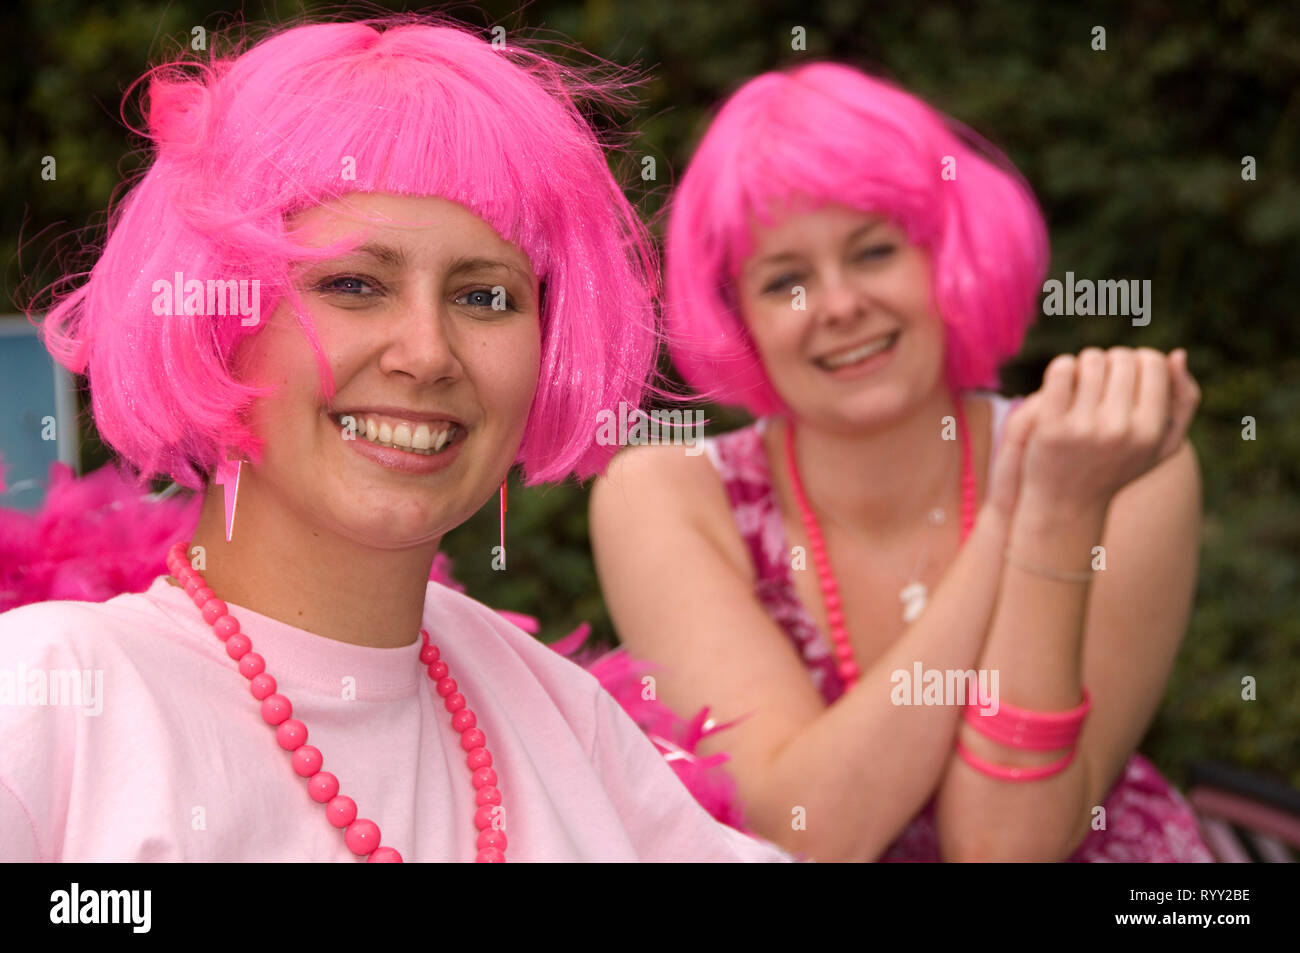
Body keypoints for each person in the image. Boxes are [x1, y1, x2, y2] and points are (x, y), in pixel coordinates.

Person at [0, 17, 793, 863]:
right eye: (353, 284)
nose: (426, 353)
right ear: (215, 318)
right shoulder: (48, 703)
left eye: (484, 297)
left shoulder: (563, 721)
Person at [589, 62, 1213, 862]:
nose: (841, 303)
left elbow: (1005, 847)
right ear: (734, 314)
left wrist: (1059, 515)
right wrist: (1017, 517)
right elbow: (803, 834)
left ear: (949, 256)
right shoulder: (665, 494)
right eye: (787, 280)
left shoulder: (1126, 468)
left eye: (875, 251)